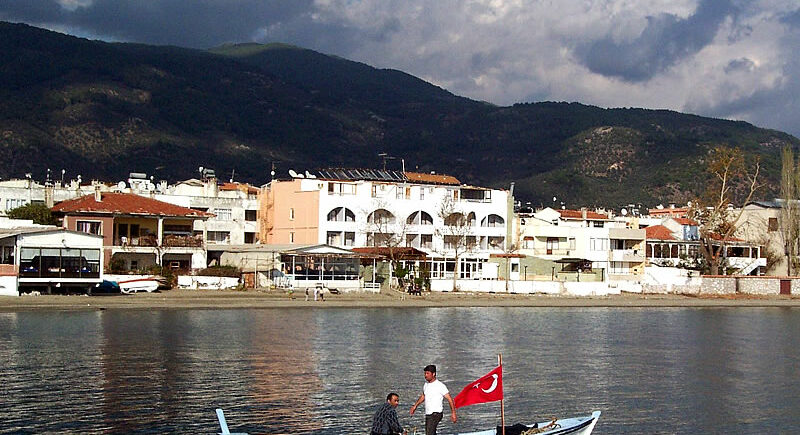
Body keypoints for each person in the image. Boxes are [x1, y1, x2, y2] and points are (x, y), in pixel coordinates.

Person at [410, 364, 457, 435]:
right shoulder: (426, 384)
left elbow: (450, 399)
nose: (425, 375)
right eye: (425, 373)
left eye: (427, 373)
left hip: (436, 413)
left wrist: (453, 413)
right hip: (428, 413)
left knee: (429, 432)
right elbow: (423, 396)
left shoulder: (440, 386)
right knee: (430, 432)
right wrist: (415, 406)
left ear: (434, 374)